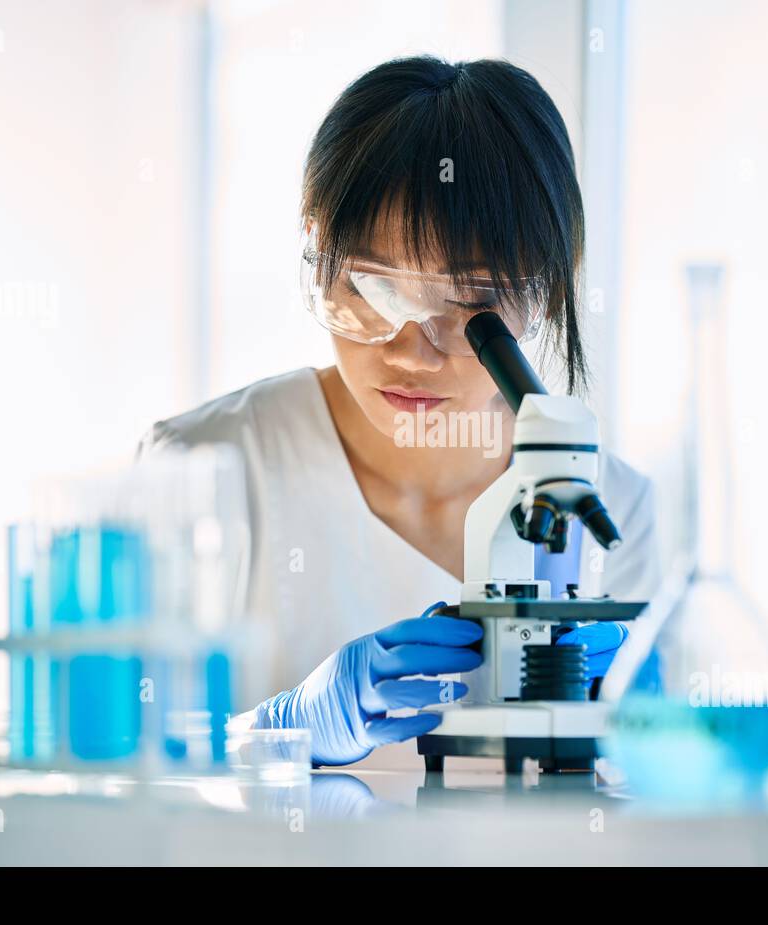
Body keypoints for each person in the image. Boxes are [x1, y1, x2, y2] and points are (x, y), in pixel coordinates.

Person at [141, 55, 661, 767]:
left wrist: (638, 736)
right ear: (317, 242)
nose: (414, 354)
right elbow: (116, 786)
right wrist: (275, 734)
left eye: (471, 301)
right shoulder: (209, 469)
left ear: (544, 287)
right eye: (377, 291)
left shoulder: (616, 512)